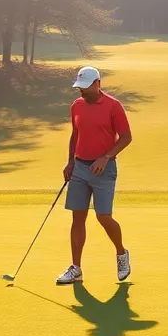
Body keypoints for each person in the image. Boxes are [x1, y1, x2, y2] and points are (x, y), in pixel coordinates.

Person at [57, 66, 133, 285]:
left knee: (103, 217)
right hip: (80, 168)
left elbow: (126, 137)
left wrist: (106, 157)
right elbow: (75, 134)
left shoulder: (113, 106)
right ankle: (76, 269)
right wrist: (71, 162)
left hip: (104, 169)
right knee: (77, 217)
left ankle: (121, 253)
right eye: (79, 87)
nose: (81, 91)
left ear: (97, 83)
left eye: (85, 87)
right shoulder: (77, 106)